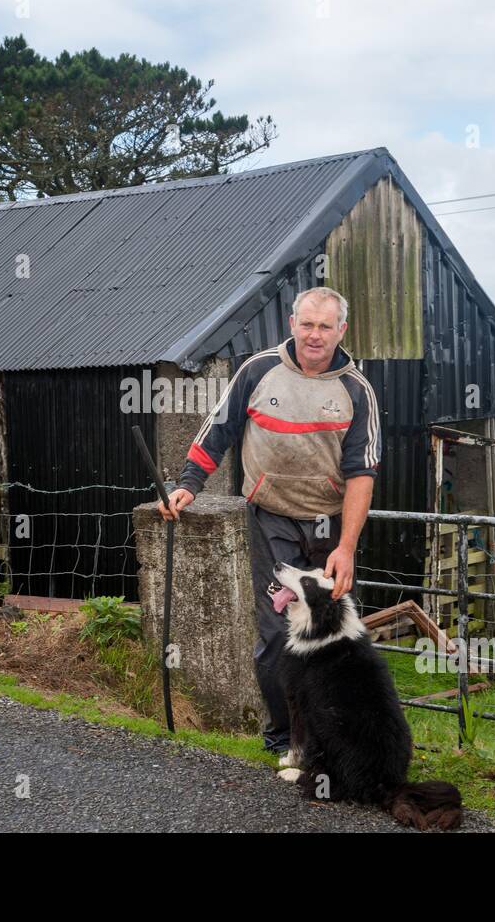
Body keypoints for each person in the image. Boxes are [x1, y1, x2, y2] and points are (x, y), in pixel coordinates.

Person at [158, 286, 381, 754]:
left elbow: (362, 472)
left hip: (329, 524)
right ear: (292, 323)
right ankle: (285, 738)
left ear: (342, 331)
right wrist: (188, 484)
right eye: (307, 323)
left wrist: (347, 547)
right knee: (278, 630)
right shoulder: (258, 371)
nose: (314, 335)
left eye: (325, 326)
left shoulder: (356, 389)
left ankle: (332, 738)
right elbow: (218, 430)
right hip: (270, 518)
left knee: (333, 632)